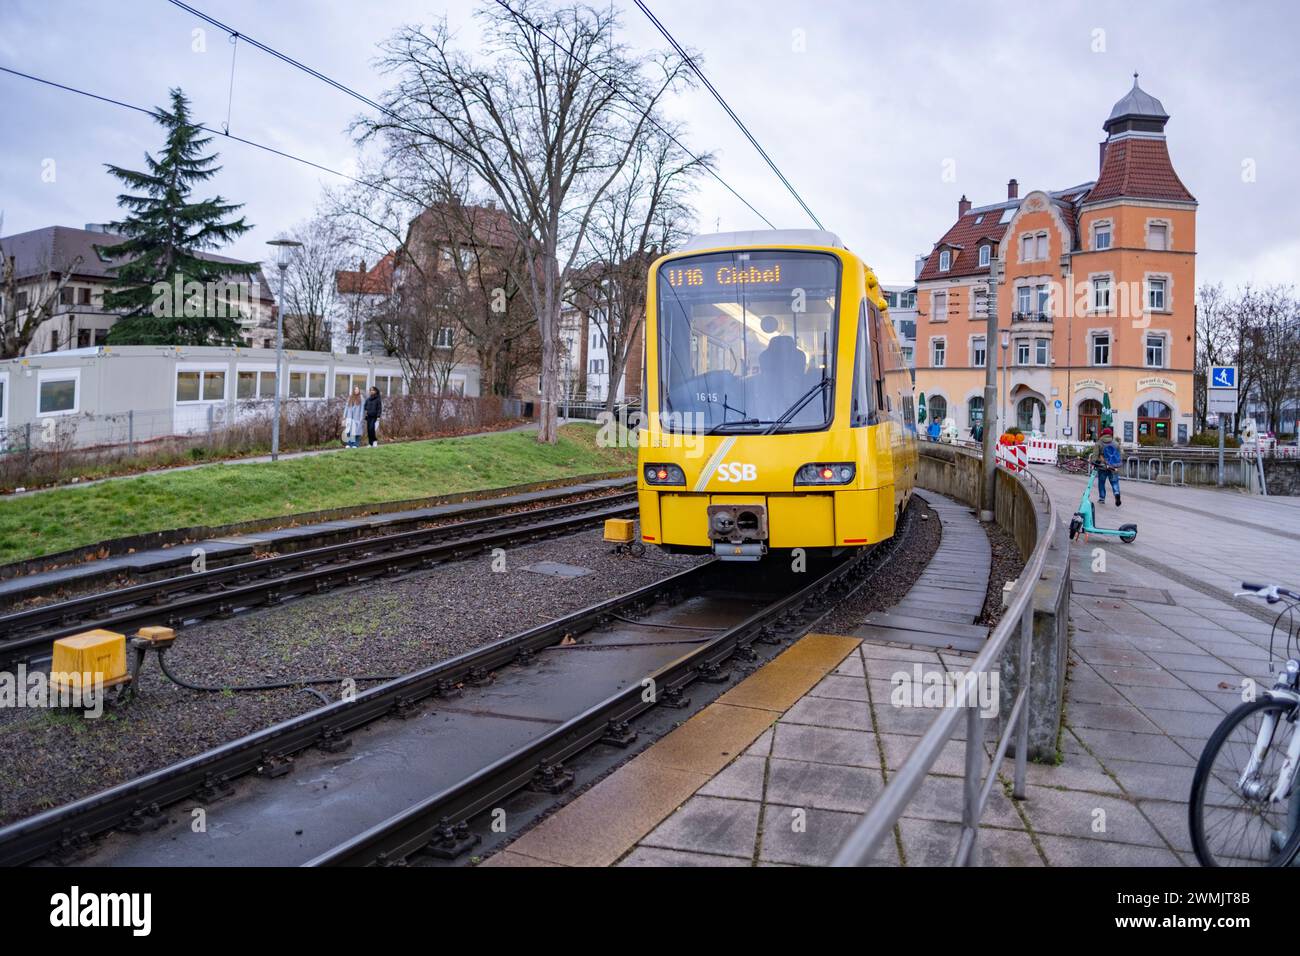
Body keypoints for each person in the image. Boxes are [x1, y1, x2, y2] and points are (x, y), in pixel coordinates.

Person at [1089, 425, 1123, 506]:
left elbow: (1095, 455)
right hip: (1113, 467)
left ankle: (1102, 498)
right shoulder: (1116, 443)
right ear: (1110, 434)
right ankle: (1116, 493)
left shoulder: (1099, 443)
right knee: (1114, 482)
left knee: (1101, 482)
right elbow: (1119, 455)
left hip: (1102, 467)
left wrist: (1093, 462)